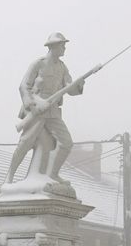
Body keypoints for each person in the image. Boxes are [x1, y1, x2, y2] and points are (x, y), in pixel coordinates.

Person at [5, 32, 84, 185]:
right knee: (25, 143)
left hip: (53, 111)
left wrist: (79, 84)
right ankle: (9, 176)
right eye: (62, 45)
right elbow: (24, 86)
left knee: (66, 142)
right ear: (54, 46)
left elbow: (70, 89)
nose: (64, 48)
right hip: (37, 110)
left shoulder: (62, 67)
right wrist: (33, 103)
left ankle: (52, 174)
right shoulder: (38, 64)